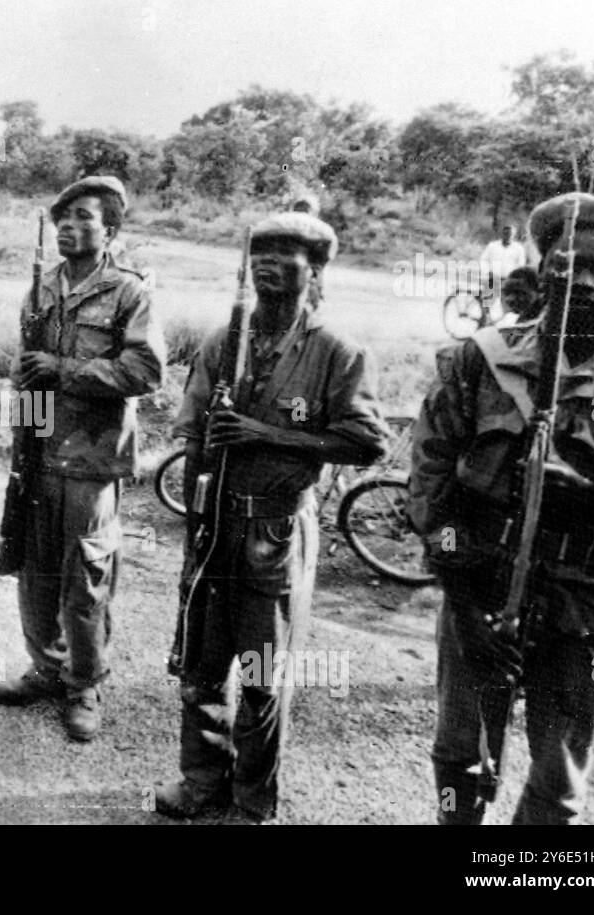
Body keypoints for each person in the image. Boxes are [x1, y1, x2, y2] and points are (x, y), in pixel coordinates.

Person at [410, 191, 594, 825]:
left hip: (589, 601)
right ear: (542, 271)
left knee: (559, 778)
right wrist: (459, 591)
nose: (589, 283)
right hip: (480, 589)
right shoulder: (481, 358)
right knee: (459, 759)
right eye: (570, 266)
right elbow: (432, 483)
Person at [153, 212, 388, 821]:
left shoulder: (337, 350)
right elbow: (193, 432)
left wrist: (269, 436)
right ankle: (202, 781)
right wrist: (194, 522)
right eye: (260, 251)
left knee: (261, 676)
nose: (268, 262)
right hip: (215, 527)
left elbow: (368, 443)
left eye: (287, 253)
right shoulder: (221, 341)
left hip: (276, 532)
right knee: (202, 666)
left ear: (314, 271)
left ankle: (254, 801)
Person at [0, 176, 166, 739]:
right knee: (34, 570)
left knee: (86, 579)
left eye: (84, 217)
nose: (69, 226)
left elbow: (145, 372)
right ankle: (45, 667)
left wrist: (64, 371)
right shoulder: (41, 289)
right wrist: (26, 387)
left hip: (92, 460)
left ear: (110, 230)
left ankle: (84, 684)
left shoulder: (128, 293)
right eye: (62, 218)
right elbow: (25, 366)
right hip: (40, 453)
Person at [479, 224, 528, 304]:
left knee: (508, 303)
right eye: (506, 234)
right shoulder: (493, 246)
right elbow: (483, 260)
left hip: (509, 279)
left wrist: (514, 276)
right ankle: (485, 314)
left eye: (510, 234)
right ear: (502, 234)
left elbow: (521, 265)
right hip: (493, 278)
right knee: (487, 302)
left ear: (513, 235)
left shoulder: (518, 248)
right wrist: (488, 272)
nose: (508, 236)